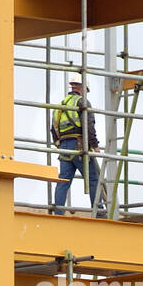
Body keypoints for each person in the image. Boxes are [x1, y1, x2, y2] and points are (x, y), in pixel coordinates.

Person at [51, 79, 107, 216]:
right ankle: (99, 213)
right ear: (83, 89)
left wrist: (58, 142)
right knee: (94, 178)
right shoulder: (82, 102)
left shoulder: (60, 105)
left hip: (64, 146)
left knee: (63, 180)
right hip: (79, 145)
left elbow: (53, 128)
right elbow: (88, 125)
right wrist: (94, 144)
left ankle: (58, 213)